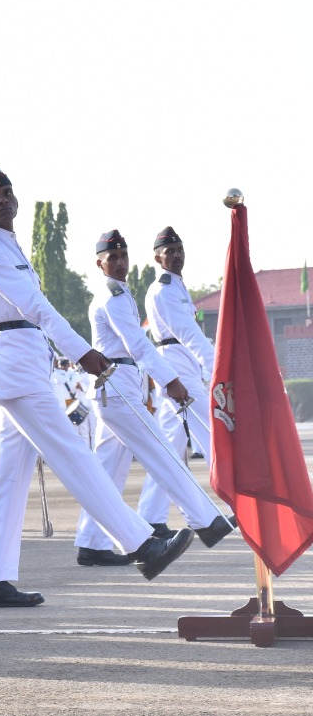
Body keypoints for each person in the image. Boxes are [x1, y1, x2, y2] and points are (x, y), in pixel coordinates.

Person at [0, 165, 193, 608]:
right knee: (73, 454)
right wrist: (82, 353)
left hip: (25, 361)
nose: (4, 200)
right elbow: (35, 306)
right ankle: (141, 545)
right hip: (16, 362)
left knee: (6, 477)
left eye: (8, 193)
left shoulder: (10, 246)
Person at [73, 230, 233, 566]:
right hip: (117, 387)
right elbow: (138, 345)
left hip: (120, 385)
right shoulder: (113, 295)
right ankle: (206, 521)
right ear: (99, 263)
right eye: (112, 258)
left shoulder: (121, 293)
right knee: (162, 451)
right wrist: (170, 381)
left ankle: (91, 543)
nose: (119, 263)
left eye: (123, 256)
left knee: (107, 470)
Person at [138, 226, 218, 534]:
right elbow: (188, 333)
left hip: (182, 362)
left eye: (179, 249)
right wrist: (215, 366)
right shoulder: (163, 289)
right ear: (158, 258)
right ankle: (240, 501)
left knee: (169, 445)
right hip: (176, 368)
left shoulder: (176, 287)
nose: (176, 255)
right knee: (210, 433)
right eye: (169, 251)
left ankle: (151, 516)